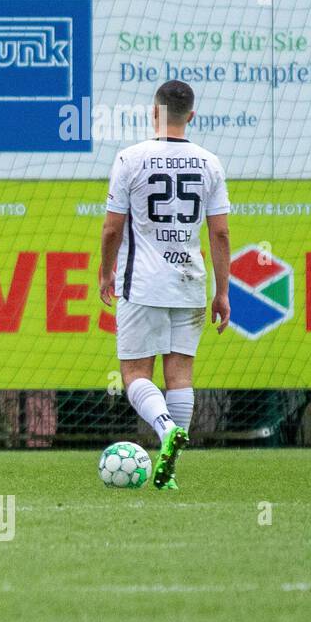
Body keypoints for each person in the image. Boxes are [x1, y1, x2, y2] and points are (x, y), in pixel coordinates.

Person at [98, 80, 231, 489]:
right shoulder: (210, 163)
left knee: (135, 372)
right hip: (190, 281)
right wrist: (222, 292)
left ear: (153, 112)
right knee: (181, 376)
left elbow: (111, 228)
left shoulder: (130, 157)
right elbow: (221, 234)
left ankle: (164, 429)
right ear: (191, 115)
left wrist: (105, 272)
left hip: (143, 282)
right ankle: (168, 470)